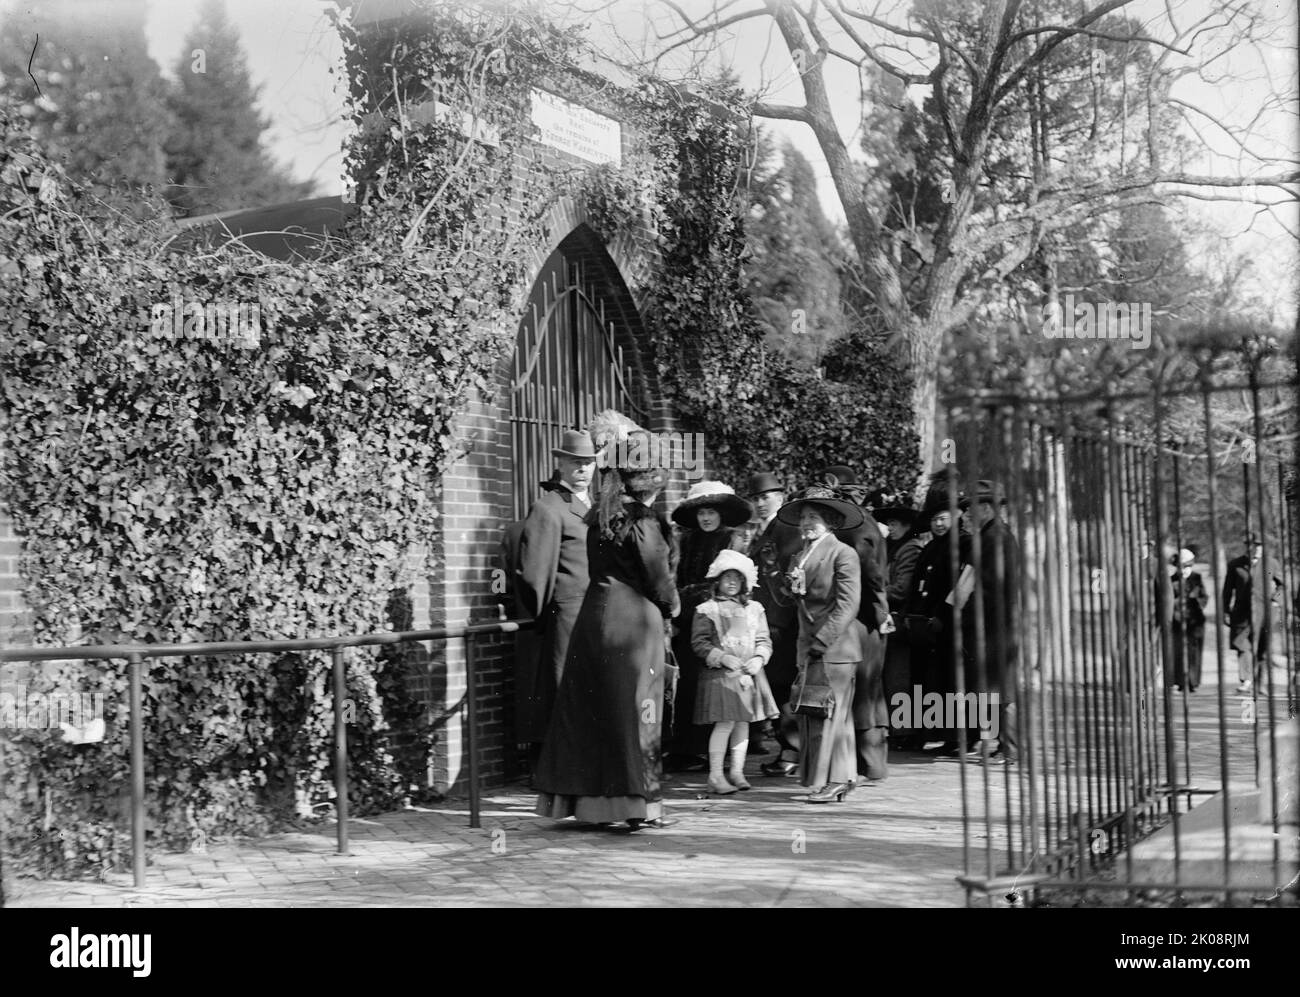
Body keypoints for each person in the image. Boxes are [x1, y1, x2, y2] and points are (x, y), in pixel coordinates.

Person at [534, 410, 679, 832]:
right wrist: (674, 608)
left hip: (594, 619)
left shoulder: (599, 514)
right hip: (634, 624)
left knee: (592, 710)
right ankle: (640, 806)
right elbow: (658, 581)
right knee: (638, 711)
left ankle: (589, 804)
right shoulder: (644, 520)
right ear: (655, 482)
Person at [777, 485, 865, 803]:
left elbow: (847, 605)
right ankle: (843, 777)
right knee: (829, 715)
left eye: (813, 516)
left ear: (829, 520)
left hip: (835, 649)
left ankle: (836, 780)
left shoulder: (843, 554)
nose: (806, 523)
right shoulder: (800, 555)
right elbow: (797, 601)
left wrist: (822, 641)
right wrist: (790, 588)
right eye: (803, 517)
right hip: (810, 647)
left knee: (832, 714)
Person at [515, 433, 596, 760]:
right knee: (565, 689)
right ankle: (563, 767)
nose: (582, 469)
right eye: (575, 462)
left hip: (599, 614)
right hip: (569, 615)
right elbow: (534, 572)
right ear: (559, 463)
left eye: (588, 462)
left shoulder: (598, 505)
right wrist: (545, 616)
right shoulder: (548, 508)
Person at [666, 480, 754, 770]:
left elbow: (724, 585)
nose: (705, 518)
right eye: (701, 512)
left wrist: (685, 598)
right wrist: (674, 612)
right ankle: (687, 749)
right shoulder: (685, 540)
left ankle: (711, 751)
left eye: (711, 512)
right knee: (689, 685)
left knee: (715, 685)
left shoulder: (732, 539)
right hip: (686, 621)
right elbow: (674, 578)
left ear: (721, 513)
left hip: (719, 623)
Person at [818, 465, 892, 782]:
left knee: (860, 688)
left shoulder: (851, 523)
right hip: (867, 613)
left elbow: (870, 570)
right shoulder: (866, 519)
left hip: (858, 615)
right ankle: (872, 763)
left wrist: (880, 606)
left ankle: (865, 764)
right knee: (869, 688)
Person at [690, 550, 778, 795]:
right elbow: (700, 642)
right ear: (717, 580)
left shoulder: (754, 609)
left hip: (748, 674)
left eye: (737, 578)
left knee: (743, 722)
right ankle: (716, 775)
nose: (731, 582)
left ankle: (737, 771)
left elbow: (764, 638)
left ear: (744, 582)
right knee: (725, 723)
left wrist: (759, 658)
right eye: (726, 577)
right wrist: (722, 657)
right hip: (722, 675)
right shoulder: (708, 609)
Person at [746, 472, 807, 777]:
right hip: (768, 620)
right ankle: (789, 748)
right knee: (780, 687)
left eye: (765, 497)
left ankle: (791, 750)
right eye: (755, 499)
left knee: (785, 687)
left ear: (781, 497)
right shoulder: (765, 530)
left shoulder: (786, 528)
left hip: (781, 622)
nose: (759, 503)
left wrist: (777, 622)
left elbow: (790, 576)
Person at [957, 480, 1020, 762]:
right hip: (996, 624)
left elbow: (989, 588)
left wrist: (968, 613)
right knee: (994, 688)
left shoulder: (995, 538)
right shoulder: (996, 535)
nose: (968, 513)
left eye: (972, 507)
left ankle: (1010, 746)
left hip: (994, 626)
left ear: (985, 507)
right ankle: (1002, 745)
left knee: (998, 690)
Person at [903, 484, 959, 753]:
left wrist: (940, 615)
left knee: (943, 683)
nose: (938, 524)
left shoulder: (962, 545)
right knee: (920, 682)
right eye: (934, 519)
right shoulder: (929, 548)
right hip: (920, 624)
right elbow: (916, 584)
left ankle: (949, 736)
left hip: (943, 625)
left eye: (943, 518)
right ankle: (919, 732)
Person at [876, 492, 927, 750]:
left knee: (898, 676)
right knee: (891, 675)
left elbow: (901, 588)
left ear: (908, 526)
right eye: (890, 523)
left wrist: (874, 592)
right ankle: (897, 729)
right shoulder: (891, 548)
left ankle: (903, 730)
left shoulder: (909, 549)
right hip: (888, 617)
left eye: (897, 523)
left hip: (900, 618)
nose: (892, 527)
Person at [1223, 534, 1282, 693]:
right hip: (1242, 613)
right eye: (1253, 545)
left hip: (1265, 612)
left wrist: (1276, 600)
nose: (1256, 548)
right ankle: (1246, 680)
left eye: (1259, 545)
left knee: (1263, 648)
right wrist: (1225, 610)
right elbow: (1227, 590)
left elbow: (1281, 585)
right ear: (1247, 546)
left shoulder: (1272, 563)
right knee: (1242, 645)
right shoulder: (1235, 564)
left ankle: (1260, 683)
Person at [1170, 548, 1208, 692]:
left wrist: (1198, 602)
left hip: (1195, 622)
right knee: (1179, 651)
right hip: (1177, 621)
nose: (1185, 570)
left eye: (1188, 566)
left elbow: (1204, 596)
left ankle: (1193, 681)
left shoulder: (1197, 578)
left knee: (1194, 652)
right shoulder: (1172, 580)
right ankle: (1180, 681)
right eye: (1182, 566)